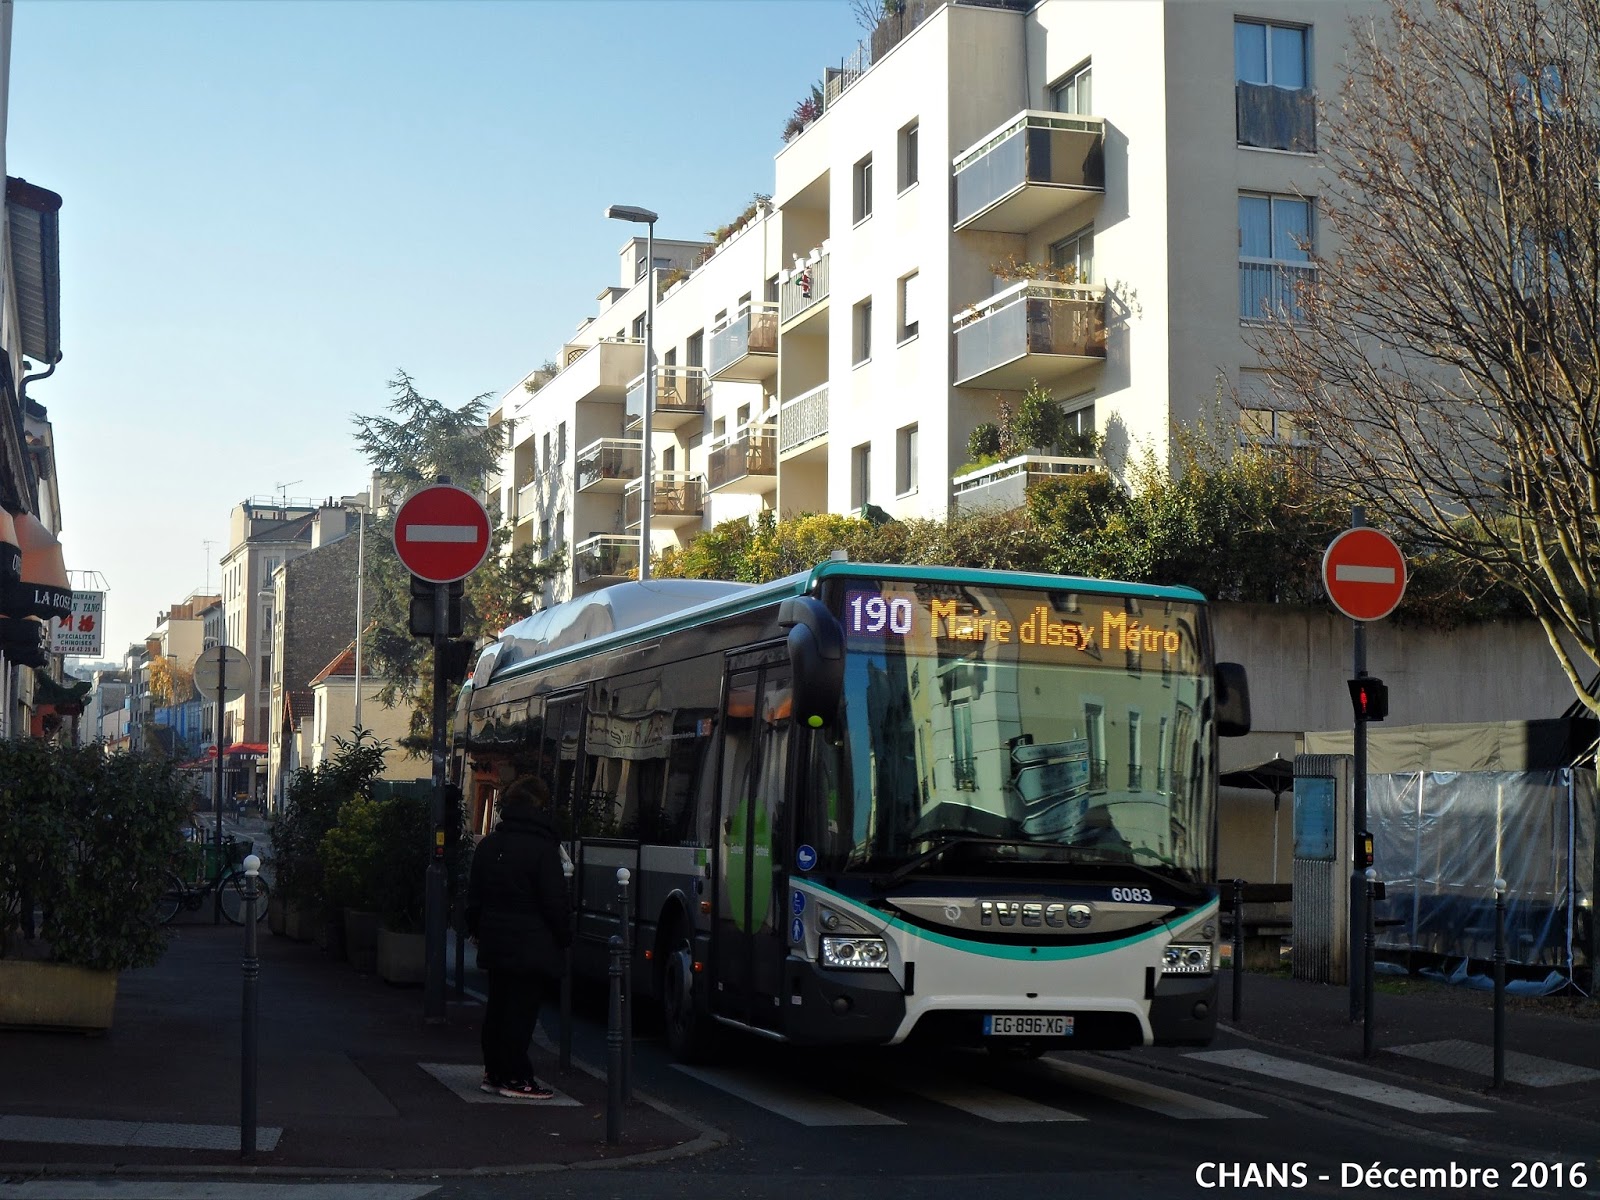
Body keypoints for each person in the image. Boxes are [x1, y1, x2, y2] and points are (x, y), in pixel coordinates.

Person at [465, 775, 572, 1100]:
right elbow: (554, 901)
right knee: (521, 1011)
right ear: (540, 807)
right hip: (531, 943)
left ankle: (494, 1072)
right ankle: (515, 1077)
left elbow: (475, 896)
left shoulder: (491, 845)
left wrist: (477, 930)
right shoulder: (543, 848)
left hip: (496, 941)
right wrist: (565, 938)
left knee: (498, 1007)